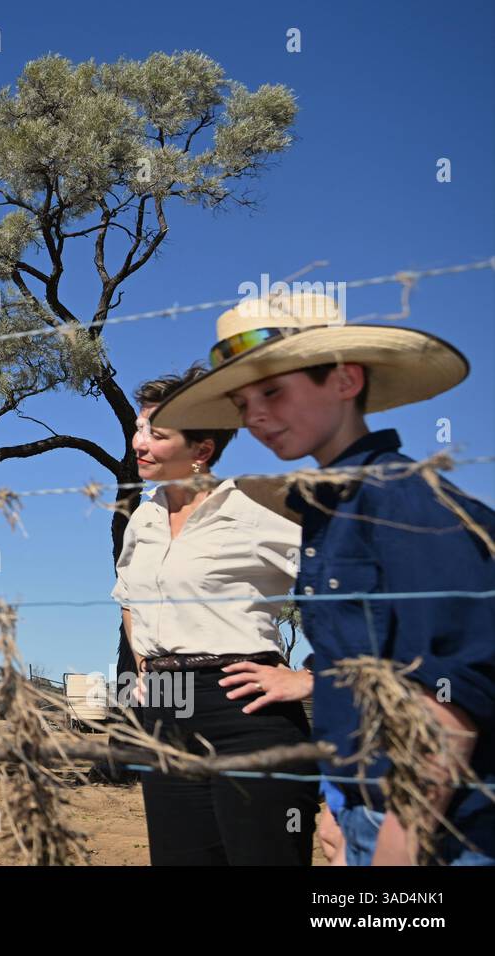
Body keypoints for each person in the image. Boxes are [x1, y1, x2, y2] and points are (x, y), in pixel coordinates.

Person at [151, 290, 495, 865]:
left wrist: (396, 848)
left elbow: (451, 699)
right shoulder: (328, 511)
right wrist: (339, 808)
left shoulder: (408, 505)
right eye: (241, 401)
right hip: (365, 810)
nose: (255, 415)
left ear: (345, 380)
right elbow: (361, 672)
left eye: (273, 391)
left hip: (436, 829)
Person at [112, 365, 319, 865]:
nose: (139, 443)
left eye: (156, 434)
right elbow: (128, 598)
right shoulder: (143, 515)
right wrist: (144, 669)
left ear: (201, 450)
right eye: (139, 428)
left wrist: (311, 677)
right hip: (165, 711)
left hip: (243, 708)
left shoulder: (258, 506)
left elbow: (357, 585)